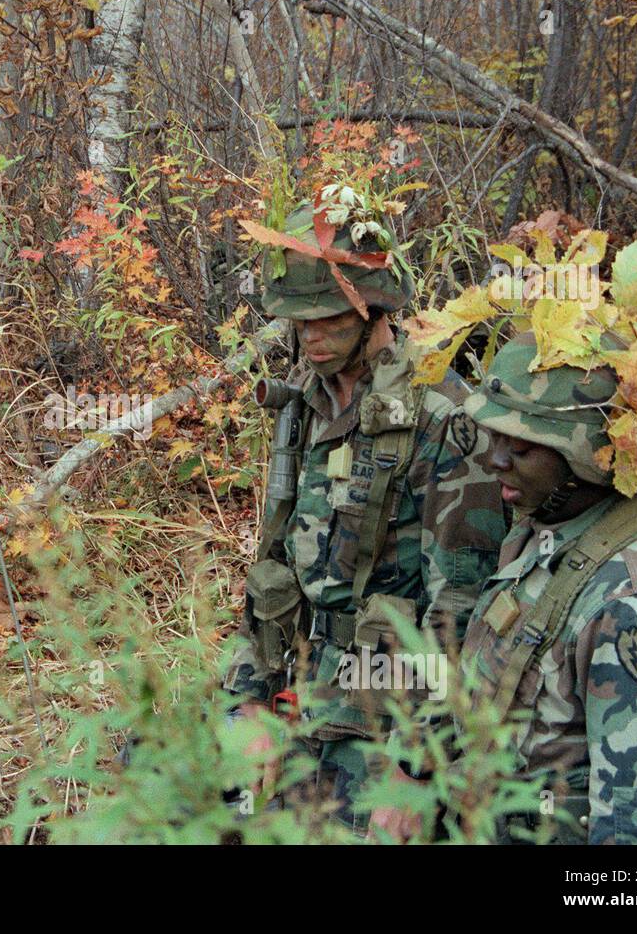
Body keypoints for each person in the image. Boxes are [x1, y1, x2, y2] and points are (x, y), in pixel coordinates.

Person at [223, 204, 506, 833]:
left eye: (327, 318)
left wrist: (416, 769)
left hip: (391, 709)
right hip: (298, 676)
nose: (310, 337)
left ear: (374, 309)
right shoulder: (305, 400)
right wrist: (250, 700)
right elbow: (273, 564)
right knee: (169, 782)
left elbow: (460, 607)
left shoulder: (439, 418)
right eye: (299, 321)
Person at [459, 331, 637, 843]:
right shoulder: (551, 525)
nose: (495, 460)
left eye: (520, 447)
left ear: (589, 455)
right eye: (492, 437)